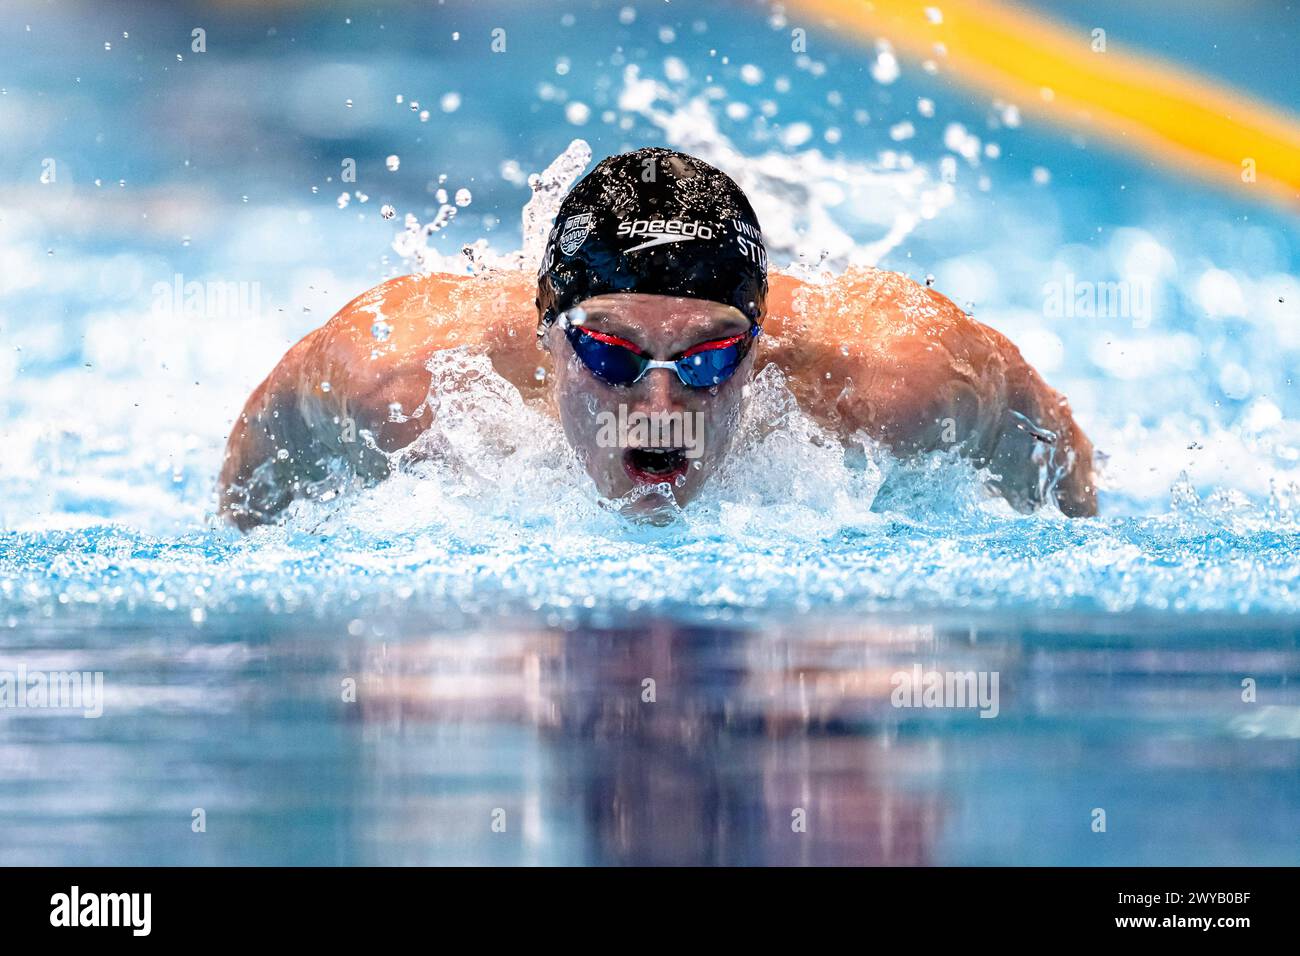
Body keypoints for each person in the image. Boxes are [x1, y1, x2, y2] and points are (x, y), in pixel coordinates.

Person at [218, 147, 1096, 530]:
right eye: (611, 355)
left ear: (759, 346)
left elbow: (1061, 483)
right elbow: (254, 488)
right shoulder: (395, 377)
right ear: (547, 334)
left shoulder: (902, 381)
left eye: (711, 358)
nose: (662, 403)